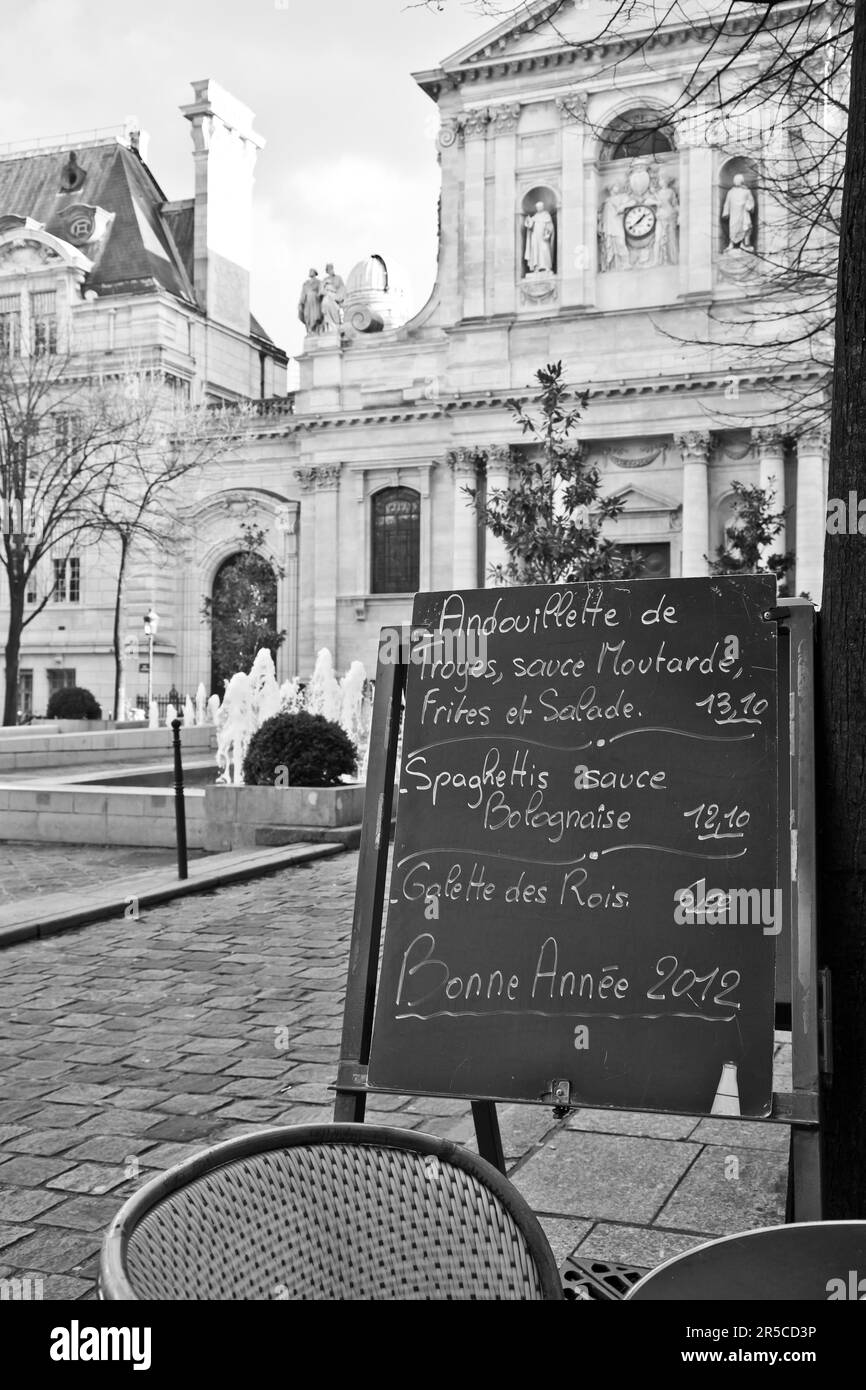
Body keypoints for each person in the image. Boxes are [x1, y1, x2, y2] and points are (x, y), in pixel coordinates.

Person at [722, 174, 756, 251]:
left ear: (741, 181)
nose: (736, 181)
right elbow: (727, 202)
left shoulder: (746, 191)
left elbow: (751, 201)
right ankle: (731, 243)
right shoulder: (730, 192)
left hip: (743, 213)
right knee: (733, 227)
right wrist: (726, 212)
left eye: (738, 180)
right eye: (735, 180)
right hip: (734, 213)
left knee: (744, 227)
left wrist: (749, 206)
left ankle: (743, 243)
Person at [524, 201, 555, 274]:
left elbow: (550, 226)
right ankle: (536, 267)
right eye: (537, 207)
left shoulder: (546, 215)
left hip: (543, 236)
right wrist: (528, 220)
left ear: (543, 207)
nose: (538, 208)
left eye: (540, 207)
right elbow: (530, 225)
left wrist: (548, 233)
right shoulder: (535, 216)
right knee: (535, 251)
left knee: (545, 250)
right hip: (535, 236)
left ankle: (547, 266)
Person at [320, 263, 346, 330]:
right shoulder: (325, 279)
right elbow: (321, 290)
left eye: (331, 268)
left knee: (336, 310)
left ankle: (336, 326)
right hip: (327, 296)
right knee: (325, 303)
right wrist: (326, 292)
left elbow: (342, 288)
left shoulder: (338, 278)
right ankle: (329, 326)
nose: (330, 270)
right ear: (327, 271)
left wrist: (338, 297)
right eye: (328, 269)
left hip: (335, 297)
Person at [298, 269, 323, 334]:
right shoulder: (306, 283)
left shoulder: (319, 282)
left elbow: (321, 292)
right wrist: (301, 303)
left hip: (315, 301)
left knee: (315, 316)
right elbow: (303, 294)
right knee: (307, 316)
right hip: (307, 302)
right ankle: (309, 331)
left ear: (315, 273)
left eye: (311, 271)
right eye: (309, 271)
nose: (310, 273)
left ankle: (315, 331)